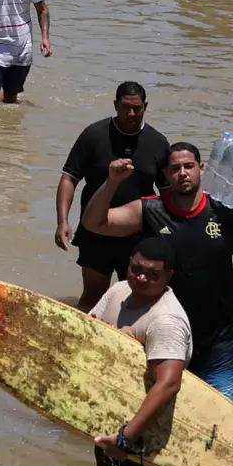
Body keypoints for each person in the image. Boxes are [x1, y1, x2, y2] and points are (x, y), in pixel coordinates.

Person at [80, 142, 233, 405]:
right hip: (163, 335)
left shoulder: (226, 211)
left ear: (202, 169)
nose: (182, 173)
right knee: (149, 408)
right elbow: (94, 223)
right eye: (174, 168)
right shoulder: (150, 210)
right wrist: (111, 183)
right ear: (165, 174)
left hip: (218, 339)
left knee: (220, 415)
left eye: (189, 166)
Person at [87, 236, 192, 466]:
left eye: (152, 274)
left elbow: (169, 384)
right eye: (136, 269)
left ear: (169, 275)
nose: (141, 277)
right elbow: (87, 330)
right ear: (129, 262)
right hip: (111, 418)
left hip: (142, 435)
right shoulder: (119, 290)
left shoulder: (166, 320)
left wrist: (126, 438)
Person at [57, 82, 171, 310]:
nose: (131, 113)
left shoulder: (158, 143)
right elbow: (69, 178)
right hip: (96, 229)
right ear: (115, 105)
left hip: (138, 234)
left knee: (134, 298)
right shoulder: (94, 135)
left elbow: (168, 194)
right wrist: (63, 221)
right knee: (93, 295)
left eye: (137, 108)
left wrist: (172, 234)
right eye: (125, 107)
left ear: (145, 106)